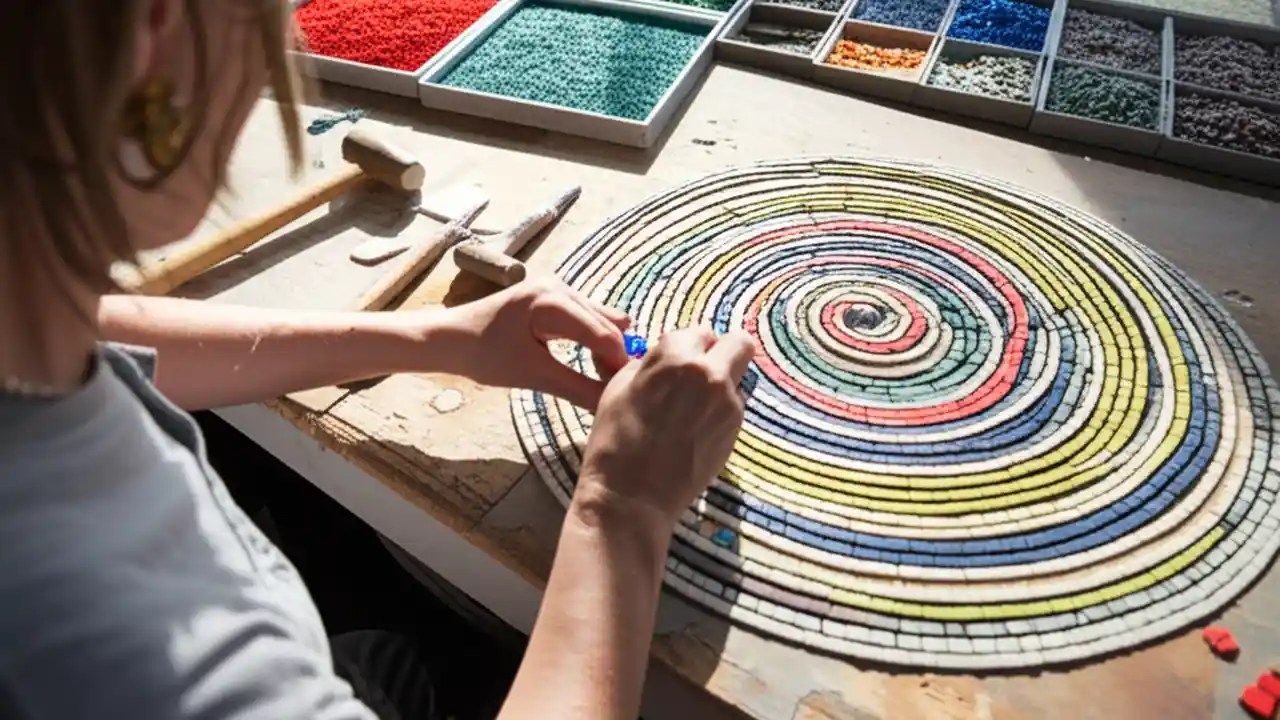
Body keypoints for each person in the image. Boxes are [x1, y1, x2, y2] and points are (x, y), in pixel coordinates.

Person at [0, 1, 756, 719]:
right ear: (158, 44)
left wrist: (434, 336)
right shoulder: (119, 645)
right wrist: (622, 512)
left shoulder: (25, 314)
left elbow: (105, 337)